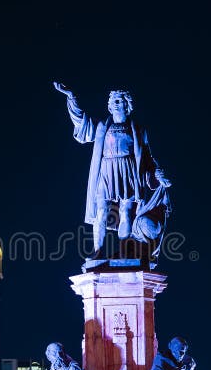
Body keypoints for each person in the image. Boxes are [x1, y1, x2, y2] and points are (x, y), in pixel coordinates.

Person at [53, 82, 171, 261]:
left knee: (126, 212)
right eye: (113, 100)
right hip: (106, 171)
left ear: (127, 105)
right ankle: (98, 250)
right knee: (101, 210)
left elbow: (148, 159)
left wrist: (157, 175)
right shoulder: (103, 126)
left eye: (119, 100)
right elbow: (82, 124)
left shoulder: (138, 130)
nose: (115, 103)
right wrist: (71, 97)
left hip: (129, 172)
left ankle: (124, 252)